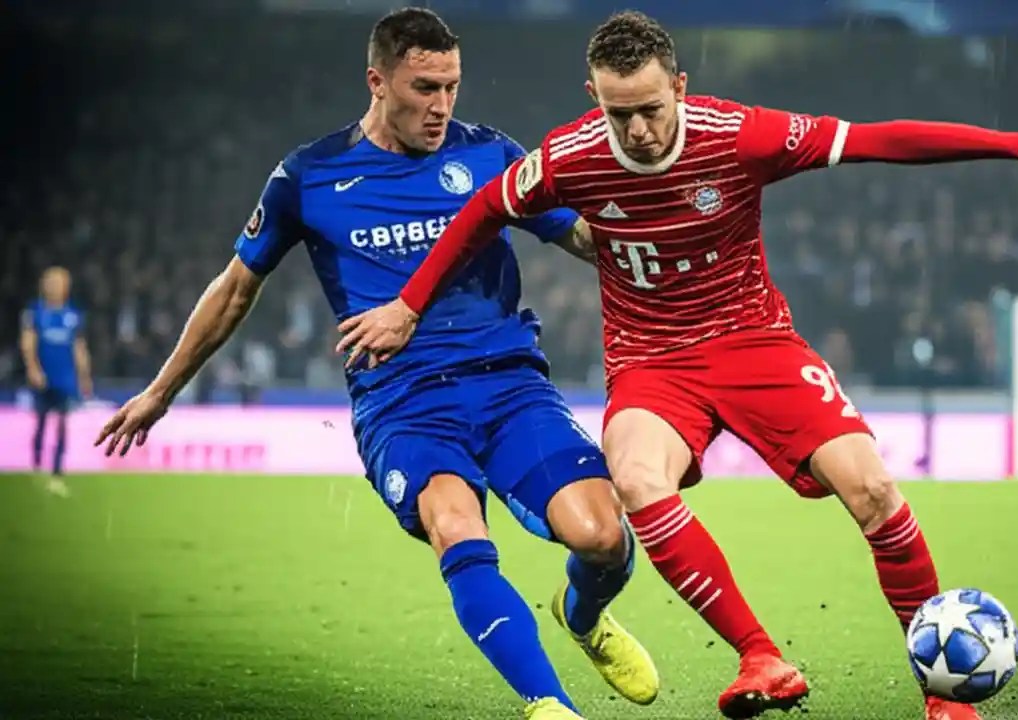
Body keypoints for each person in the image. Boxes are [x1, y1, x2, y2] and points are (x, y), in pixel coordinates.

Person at [334, 10, 1018, 720]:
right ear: (593, 97)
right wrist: (409, 304)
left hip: (755, 345)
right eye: (618, 112)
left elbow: (876, 139)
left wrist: (1013, 145)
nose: (637, 129)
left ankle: (944, 702)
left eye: (650, 108)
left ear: (679, 85)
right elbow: (485, 209)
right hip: (650, 363)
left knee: (873, 488)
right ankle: (760, 655)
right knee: (636, 480)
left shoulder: (739, 134)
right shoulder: (568, 157)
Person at [93, 8, 658, 720]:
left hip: (510, 384)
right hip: (403, 402)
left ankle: (581, 618)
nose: (442, 105)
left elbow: (578, 236)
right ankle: (549, 706)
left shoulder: (488, 155)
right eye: (424, 87)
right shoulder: (310, 175)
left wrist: (654, 226)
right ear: (377, 80)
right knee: (457, 528)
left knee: (603, 539)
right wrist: (161, 391)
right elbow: (237, 285)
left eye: (452, 86)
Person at [21, 266, 92, 496]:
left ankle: (57, 473)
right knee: (41, 422)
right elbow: (28, 342)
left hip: (66, 379)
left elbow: (79, 348)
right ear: (44, 284)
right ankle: (36, 468)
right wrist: (33, 368)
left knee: (62, 425)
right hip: (44, 378)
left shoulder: (73, 315)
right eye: (51, 281)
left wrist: (84, 377)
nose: (55, 286)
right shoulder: (35, 312)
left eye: (60, 282)